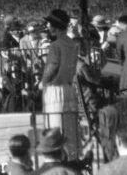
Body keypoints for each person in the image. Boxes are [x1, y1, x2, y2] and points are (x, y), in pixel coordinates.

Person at [41, 9, 79, 159]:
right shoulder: (73, 44)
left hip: (55, 90)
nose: (48, 27)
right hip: (69, 88)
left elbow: (52, 67)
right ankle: (72, 159)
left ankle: (56, 160)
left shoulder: (55, 45)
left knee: (55, 127)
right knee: (70, 128)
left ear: (54, 27)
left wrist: (42, 82)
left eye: (49, 25)